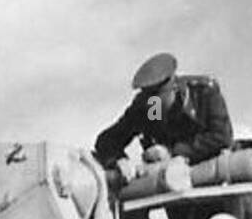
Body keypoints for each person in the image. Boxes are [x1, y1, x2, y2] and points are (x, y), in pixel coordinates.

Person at [94, 52, 234, 169]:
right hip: (165, 182)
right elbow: (107, 141)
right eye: (149, 98)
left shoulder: (203, 92)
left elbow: (221, 137)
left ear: (172, 87)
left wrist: (172, 152)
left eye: (157, 98)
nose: (153, 104)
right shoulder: (148, 107)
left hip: (210, 173)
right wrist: (119, 160)